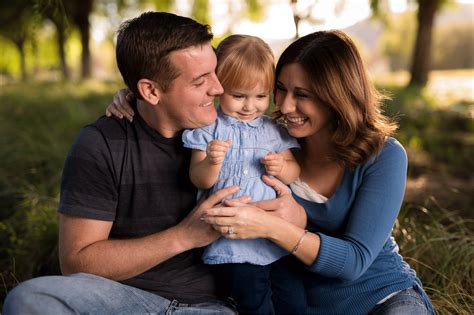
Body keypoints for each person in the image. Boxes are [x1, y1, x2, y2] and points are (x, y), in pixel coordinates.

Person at [2, 11, 306, 315]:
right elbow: (77, 262)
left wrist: (291, 214)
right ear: (150, 90)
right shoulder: (102, 143)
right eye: (201, 81)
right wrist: (184, 236)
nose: (218, 88)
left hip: (208, 307)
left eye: (216, 72)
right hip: (120, 298)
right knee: (28, 298)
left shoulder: (230, 129)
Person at [200, 30, 436, 314]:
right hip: (302, 304)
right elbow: (204, 100)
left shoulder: (384, 156)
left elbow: (354, 261)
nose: (285, 106)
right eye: (281, 89)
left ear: (336, 96)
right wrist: (133, 101)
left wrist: (270, 226)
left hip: (383, 297)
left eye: (302, 94)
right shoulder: (271, 141)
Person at [107, 34, 305, 315]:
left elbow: (293, 169)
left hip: (275, 238)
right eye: (238, 96)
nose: (250, 106)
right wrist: (212, 161)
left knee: (294, 299)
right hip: (233, 242)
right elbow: (200, 179)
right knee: (254, 301)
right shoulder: (208, 128)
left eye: (260, 96)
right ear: (218, 88)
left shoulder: (272, 130)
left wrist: (283, 168)